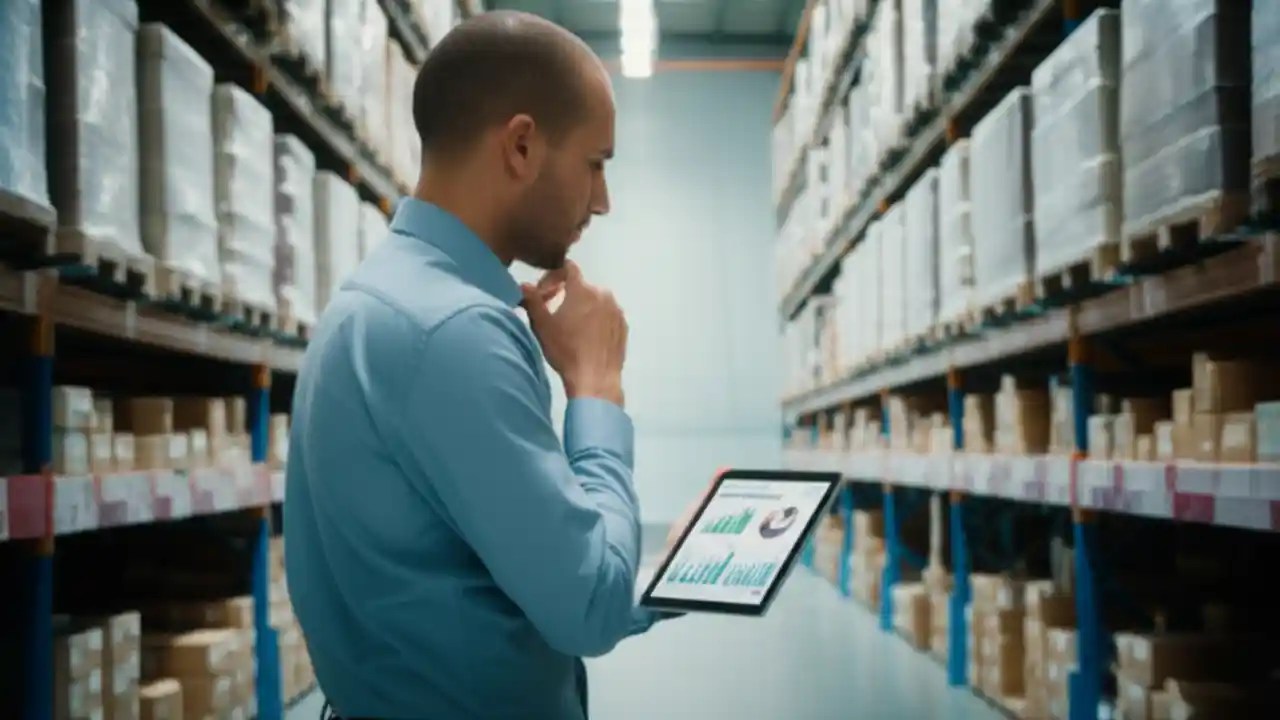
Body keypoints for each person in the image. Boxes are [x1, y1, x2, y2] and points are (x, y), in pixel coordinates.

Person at [283, 10, 701, 720]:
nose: (602, 201)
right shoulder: (454, 333)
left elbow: (488, 561)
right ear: (522, 146)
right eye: (595, 164)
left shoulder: (378, 298)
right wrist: (596, 386)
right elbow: (587, 611)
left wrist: (653, 570)